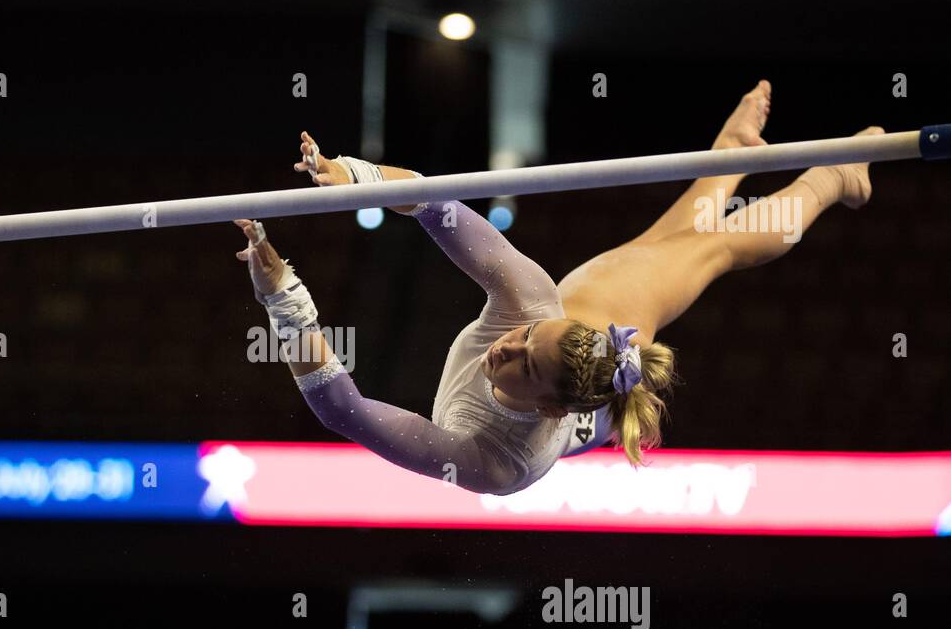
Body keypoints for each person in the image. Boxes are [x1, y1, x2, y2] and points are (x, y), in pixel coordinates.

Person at [234, 81, 880, 494]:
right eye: (523, 339)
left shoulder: (492, 461)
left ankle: (783, 169)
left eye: (521, 360)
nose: (505, 347)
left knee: (691, 245)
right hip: (606, 326)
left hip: (591, 357)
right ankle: (825, 178)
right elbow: (436, 205)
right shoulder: (532, 306)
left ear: (545, 407)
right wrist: (356, 175)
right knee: (709, 249)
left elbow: (342, 410)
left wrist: (281, 297)